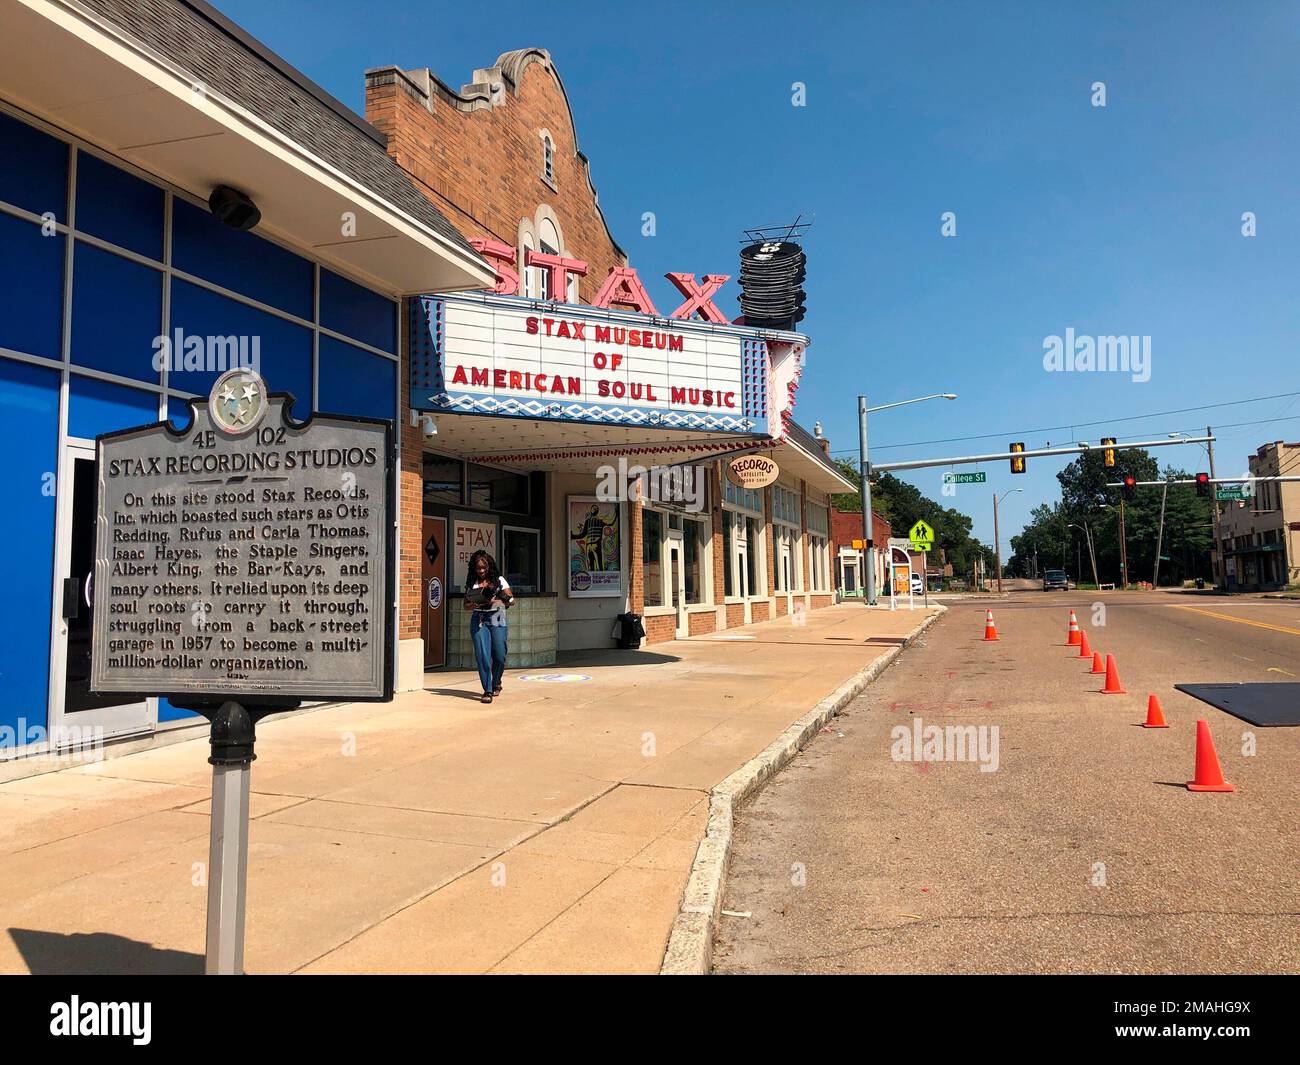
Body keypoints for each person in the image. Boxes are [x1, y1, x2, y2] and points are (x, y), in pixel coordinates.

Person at [463, 549, 514, 703]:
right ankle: (487, 690)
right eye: (478, 568)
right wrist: (474, 603)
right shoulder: (472, 582)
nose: (482, 571)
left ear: (489, 566)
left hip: (497, 617)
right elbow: (465, 605)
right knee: (483, 655)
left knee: (499, 654)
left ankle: (496, 682)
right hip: (479, 618)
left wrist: (493, 601)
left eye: (484, 567)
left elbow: (511, 601)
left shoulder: (499, 580)